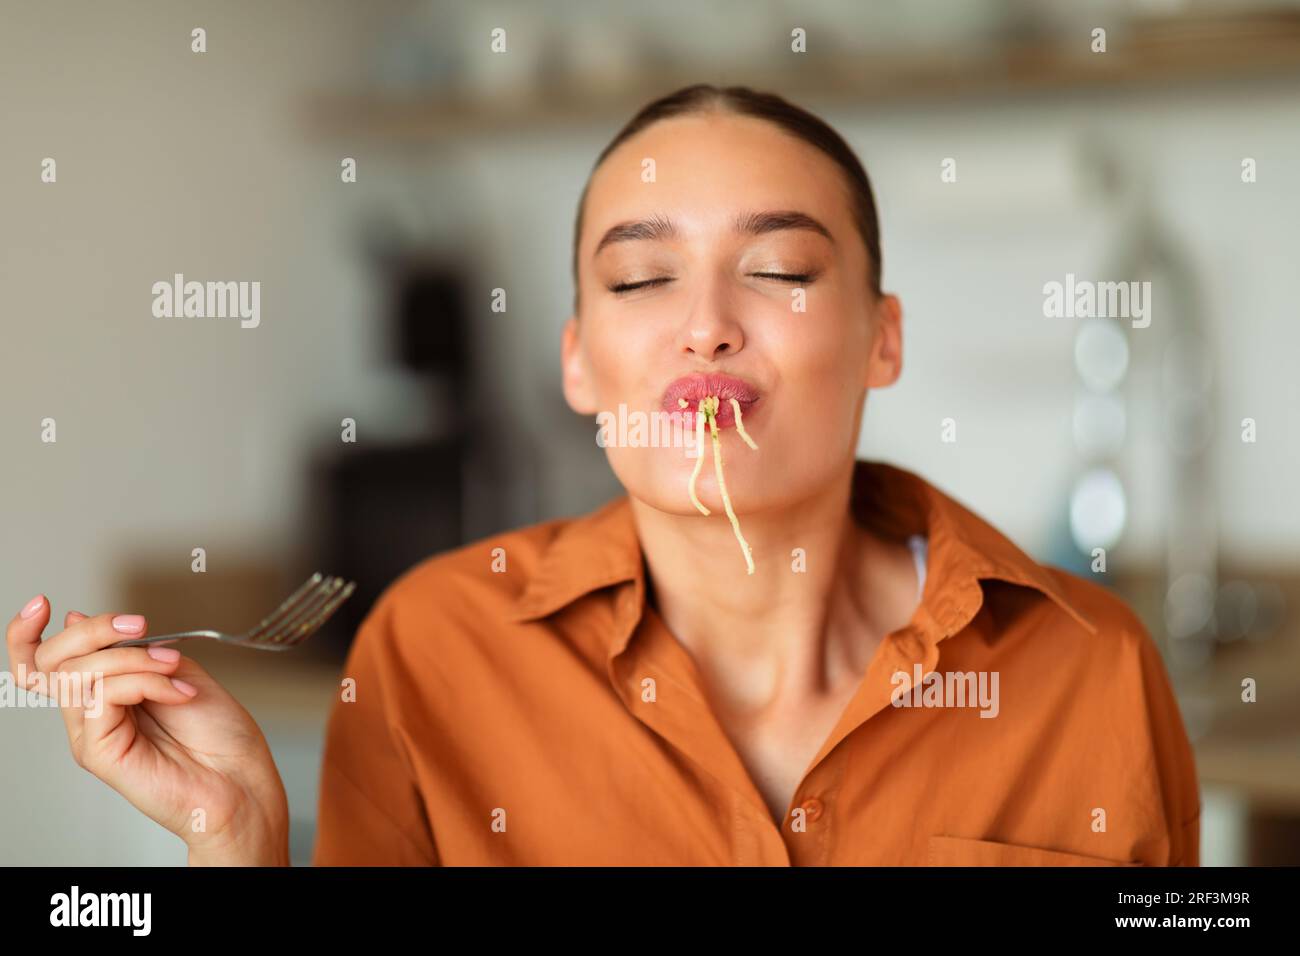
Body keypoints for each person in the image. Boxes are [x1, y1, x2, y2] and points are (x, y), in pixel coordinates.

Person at [7, 84, 1199, 866]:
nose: (706, 327)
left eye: (780, 268)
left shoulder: (1087, 672)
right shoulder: (429, 651)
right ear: (577, 360)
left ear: (883, 337)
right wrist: (237, 837)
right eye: (640, 281)